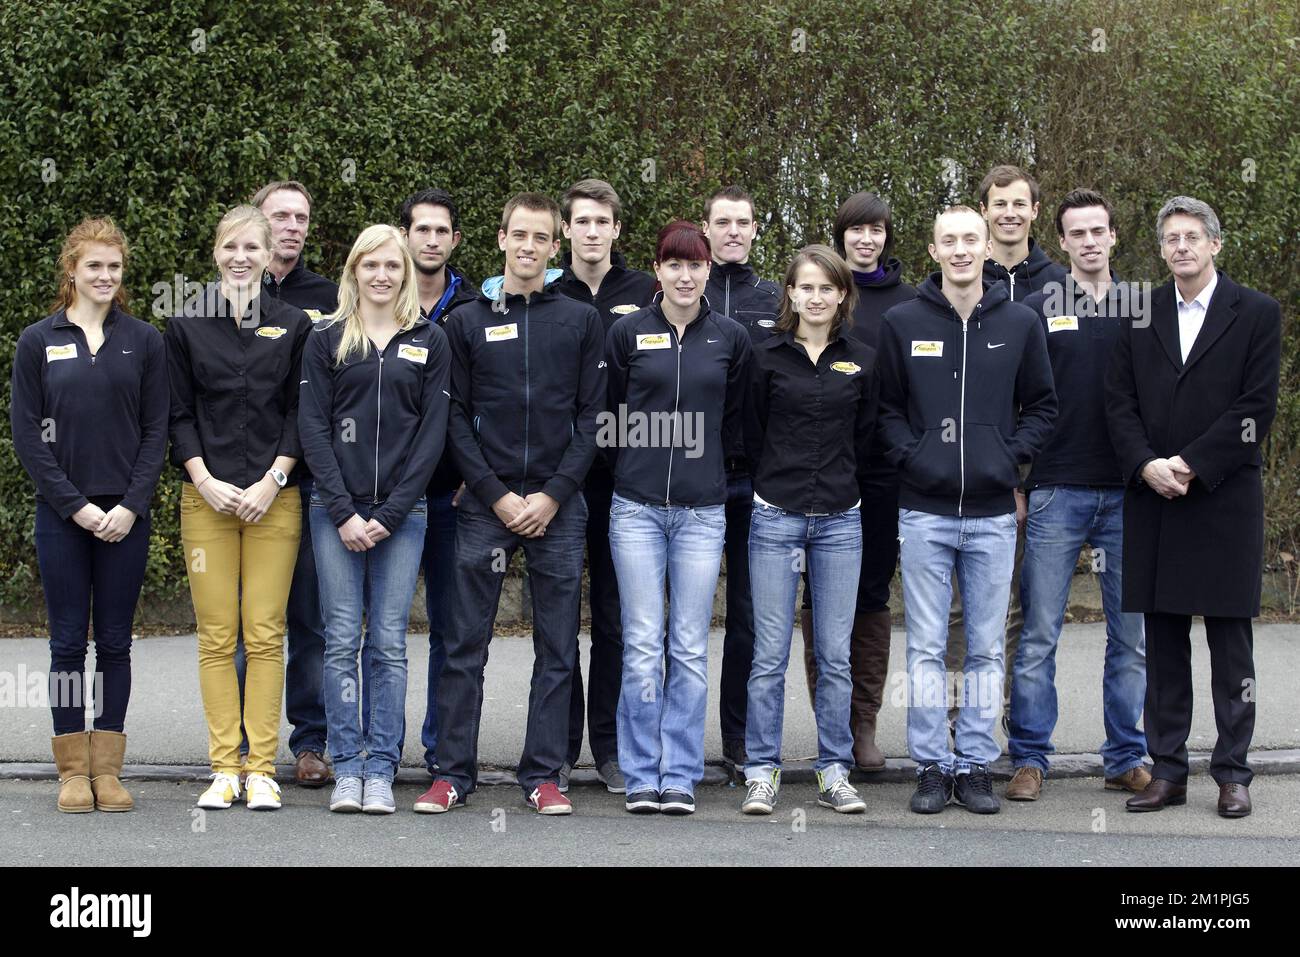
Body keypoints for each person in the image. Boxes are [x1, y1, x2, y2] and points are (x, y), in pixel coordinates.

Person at [417, 193, 604, 816]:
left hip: (560, 508)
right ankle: (451, 774)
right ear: (500, 239)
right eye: (517, 235)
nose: (528, 246)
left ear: (556, 247)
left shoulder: (580, 320)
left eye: (540, 238)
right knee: (464, 644)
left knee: (557, 646)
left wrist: (553, 495)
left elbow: (592, 419)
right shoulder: (466, 321)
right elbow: (451, 419)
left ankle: (544, 774)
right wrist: (496, 496)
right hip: (483, 507)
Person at [876, 205, 1056, 816]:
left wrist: (1009, 457)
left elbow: (1043, 407)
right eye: (948, 240)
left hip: (991, 512)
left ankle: (975, 763)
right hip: (923, 510)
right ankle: (931, 765)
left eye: (969, 240)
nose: (959, 250)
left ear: (987, 248)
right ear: (933, 250)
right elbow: (887, 411)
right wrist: (915, 458)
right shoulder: (903, 323)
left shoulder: (1020, 322)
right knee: (926, 643)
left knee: (984, 645)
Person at [1106, 196, 1281, 819]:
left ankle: (1233, 773)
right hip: (1153, 499)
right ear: (1160, 250)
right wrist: (1147, 464)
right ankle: (1169, 770)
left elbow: (1256, 409)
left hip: (1223, 499)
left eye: (1192, 237)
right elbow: (1117, 403)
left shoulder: (1256, 313)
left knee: (1232, 648)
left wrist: (1192, 465)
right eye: (1171, 239)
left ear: (1214, 245)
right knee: (1165, 643)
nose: (1181, 247)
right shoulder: (1138, 314)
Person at [10, 218, 168, 813]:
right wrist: (74, 506)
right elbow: (27, 434)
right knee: (67, 644)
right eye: (94, 266)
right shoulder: (37, 341)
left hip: (127, 516)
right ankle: (73, 773)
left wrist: (131, 504)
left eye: (115, 266)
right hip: (62, 517)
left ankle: (109, 771)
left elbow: (156, 432)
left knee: (118, 644)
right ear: (71, 270)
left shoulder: (144, 341)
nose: (105, 276)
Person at [299, 224, 450, 814]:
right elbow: (313, 428)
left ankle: (382, 766)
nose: (381, 275)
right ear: (354, 272)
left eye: (392, 265)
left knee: (387, 643)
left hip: (402, 516)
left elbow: (431, 435)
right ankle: (348, 764)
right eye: (370, 265)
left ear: (405, 271)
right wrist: (343, 511)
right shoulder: (327, 338)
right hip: (332, 513)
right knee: (340, 641)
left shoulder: (428, 341)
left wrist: (388, 514)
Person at [166, 205, 312, 811]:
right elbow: (176, 414)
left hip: (273, 501)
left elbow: (300, 413)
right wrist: (202, 479)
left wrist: (273, 479)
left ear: (267, 252)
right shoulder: (184, 326)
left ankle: (262, 769)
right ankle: (224, 768)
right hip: (208, 501)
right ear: (217, 252)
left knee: (265, 632)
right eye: (231, 247)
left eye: (252, 247)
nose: (241, 257)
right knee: (217, 636)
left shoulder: (295, 323)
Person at [1005, 189, 1149, 802]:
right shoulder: (1038, 309)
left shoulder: (1144, 307)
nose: (1089, 242)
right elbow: (1015, 399)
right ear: (1061, 242)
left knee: (1130, 635)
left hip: (1130, 493)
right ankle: (1030, 758)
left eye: (1099, 231)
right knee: (1038, 633)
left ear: (1113, 236)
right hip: (1055, 490)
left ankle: (1126, 755)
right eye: (1077, 233)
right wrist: (1016, 478)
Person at [606, 220, 752, 815]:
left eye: (695, 265)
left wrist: (710, 474)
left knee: (689, 644)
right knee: (642, 643)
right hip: (636, 509)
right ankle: (641, 771)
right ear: (658, 269)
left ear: (708, 270)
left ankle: (681, 773)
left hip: (701, 513)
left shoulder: (731, 339)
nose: (685, 275)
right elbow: (608, 416)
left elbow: (736, 422)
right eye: (674, 264)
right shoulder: (626, 334)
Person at [741, 245, 877, 815]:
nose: (817, 297)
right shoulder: (763, 356)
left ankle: (834, 768)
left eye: (828, 288)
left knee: (836, 654)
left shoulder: (863, 359)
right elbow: (749, 431)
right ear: (790, 295)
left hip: (842, 520)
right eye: (806, 287)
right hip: (775, 515)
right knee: (770, 653)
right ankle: (761, 770)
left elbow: (866, 438)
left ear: (842, 295)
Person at [942, 166, 1071, 728]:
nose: (1010, 213)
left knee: (1020, 612)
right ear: (985, 210)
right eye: (999, 204)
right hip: (967, 475)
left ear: (1035, 212)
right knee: (956, 612)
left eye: (1021, 203)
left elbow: (1059, 393)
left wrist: (1023, 472)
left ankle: (1015, 731)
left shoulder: (1064, 286)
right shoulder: (963, 278)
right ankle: (950, 721)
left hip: (1043, 477)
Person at [799, 191, 918, 770]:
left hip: (880, 477)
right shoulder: (820, 292)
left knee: (870, 594)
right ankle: (831, 729)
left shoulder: (911, 302)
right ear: (841, 235)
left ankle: (862, 725)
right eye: (856, 230)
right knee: (818, 598)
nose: (866, 239)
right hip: (815, 476)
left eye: (876, 230)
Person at [555, 178, 656, 794]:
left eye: (603, 222)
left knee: (619, 622)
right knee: (560, 621)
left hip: (625, 481)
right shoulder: (543, 291)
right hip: (562, 481)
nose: (592, 232)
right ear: (565, 229)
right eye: (582, 222)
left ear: (617, 230)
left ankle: (612, 748)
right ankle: (560, 749)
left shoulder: (645, 290)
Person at [249, 180, 340, 788]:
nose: (291, 226)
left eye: (301, 217)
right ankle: (236, 742)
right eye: (279, 216)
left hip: (306, 484)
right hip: (242, 487)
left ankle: (311, 742)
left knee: (311, 620)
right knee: (247, 622)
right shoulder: (227, 295)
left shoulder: (328, 297)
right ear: (256, 224)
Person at [391, 188, 478, 780]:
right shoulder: (375, 301)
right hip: (389, 496)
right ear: (404, 236)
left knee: (450, 628)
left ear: (454, 241)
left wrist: (477, 476)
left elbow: (487, 400)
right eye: (420, 229)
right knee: (381, 628)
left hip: (452, 495)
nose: (430, 240)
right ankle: (376, 750)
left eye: (440, 231)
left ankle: (442, 749)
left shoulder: (476, 308)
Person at [701, 184, 781, 774]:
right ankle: (660, 743)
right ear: (706, 229)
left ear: (755, 229)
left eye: (742, 222)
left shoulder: (776, 300)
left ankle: (740, 741)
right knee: (677, 618)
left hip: (755, 482)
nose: (733, 230)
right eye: (722, 221)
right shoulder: (682, 290)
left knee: (750, 620)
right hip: (689, 480)